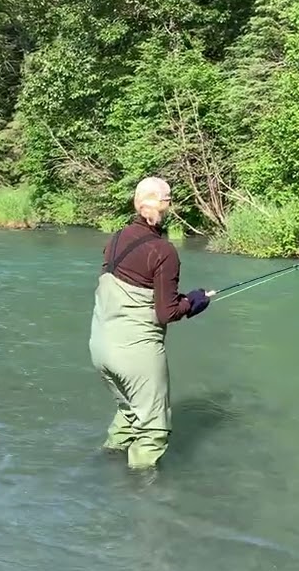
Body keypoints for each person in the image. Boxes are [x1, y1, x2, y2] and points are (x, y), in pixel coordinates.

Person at [88, 176, 212, 469]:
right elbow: (166, 312)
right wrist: (193, 302)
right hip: (136, 354)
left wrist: (184, 299)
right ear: (165, 205)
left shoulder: (115, 239)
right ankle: (142, 488)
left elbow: (138, 289)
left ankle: (103, 466)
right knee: (153, 430)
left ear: (136, 202)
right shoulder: (163, 251)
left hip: (100, 348)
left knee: (130, 411)